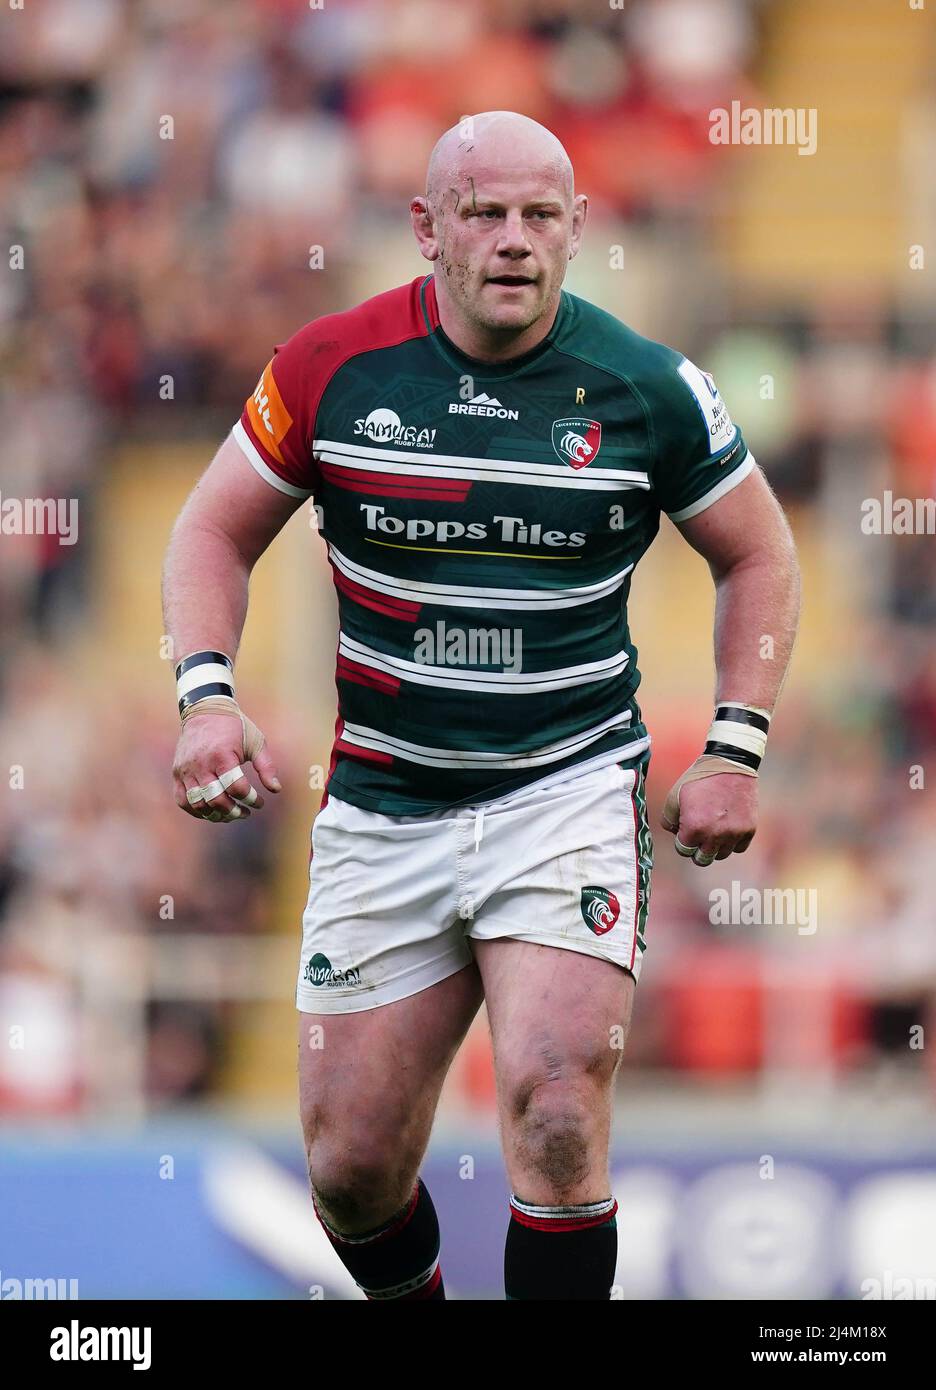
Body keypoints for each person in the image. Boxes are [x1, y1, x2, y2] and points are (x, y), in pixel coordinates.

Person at [162, 110, 800, 1301]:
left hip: (566, 789)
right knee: (349, 1168)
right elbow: (209, 529)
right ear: (426, 230)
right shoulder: (329, 370)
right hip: (385, 805)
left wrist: (735, 742)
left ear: (577, 230)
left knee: (557, 1106)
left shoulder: (650, 388)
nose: (514, 242)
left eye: (540, 216)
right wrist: (206, 697)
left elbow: (761, 554)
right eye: (485, 214)